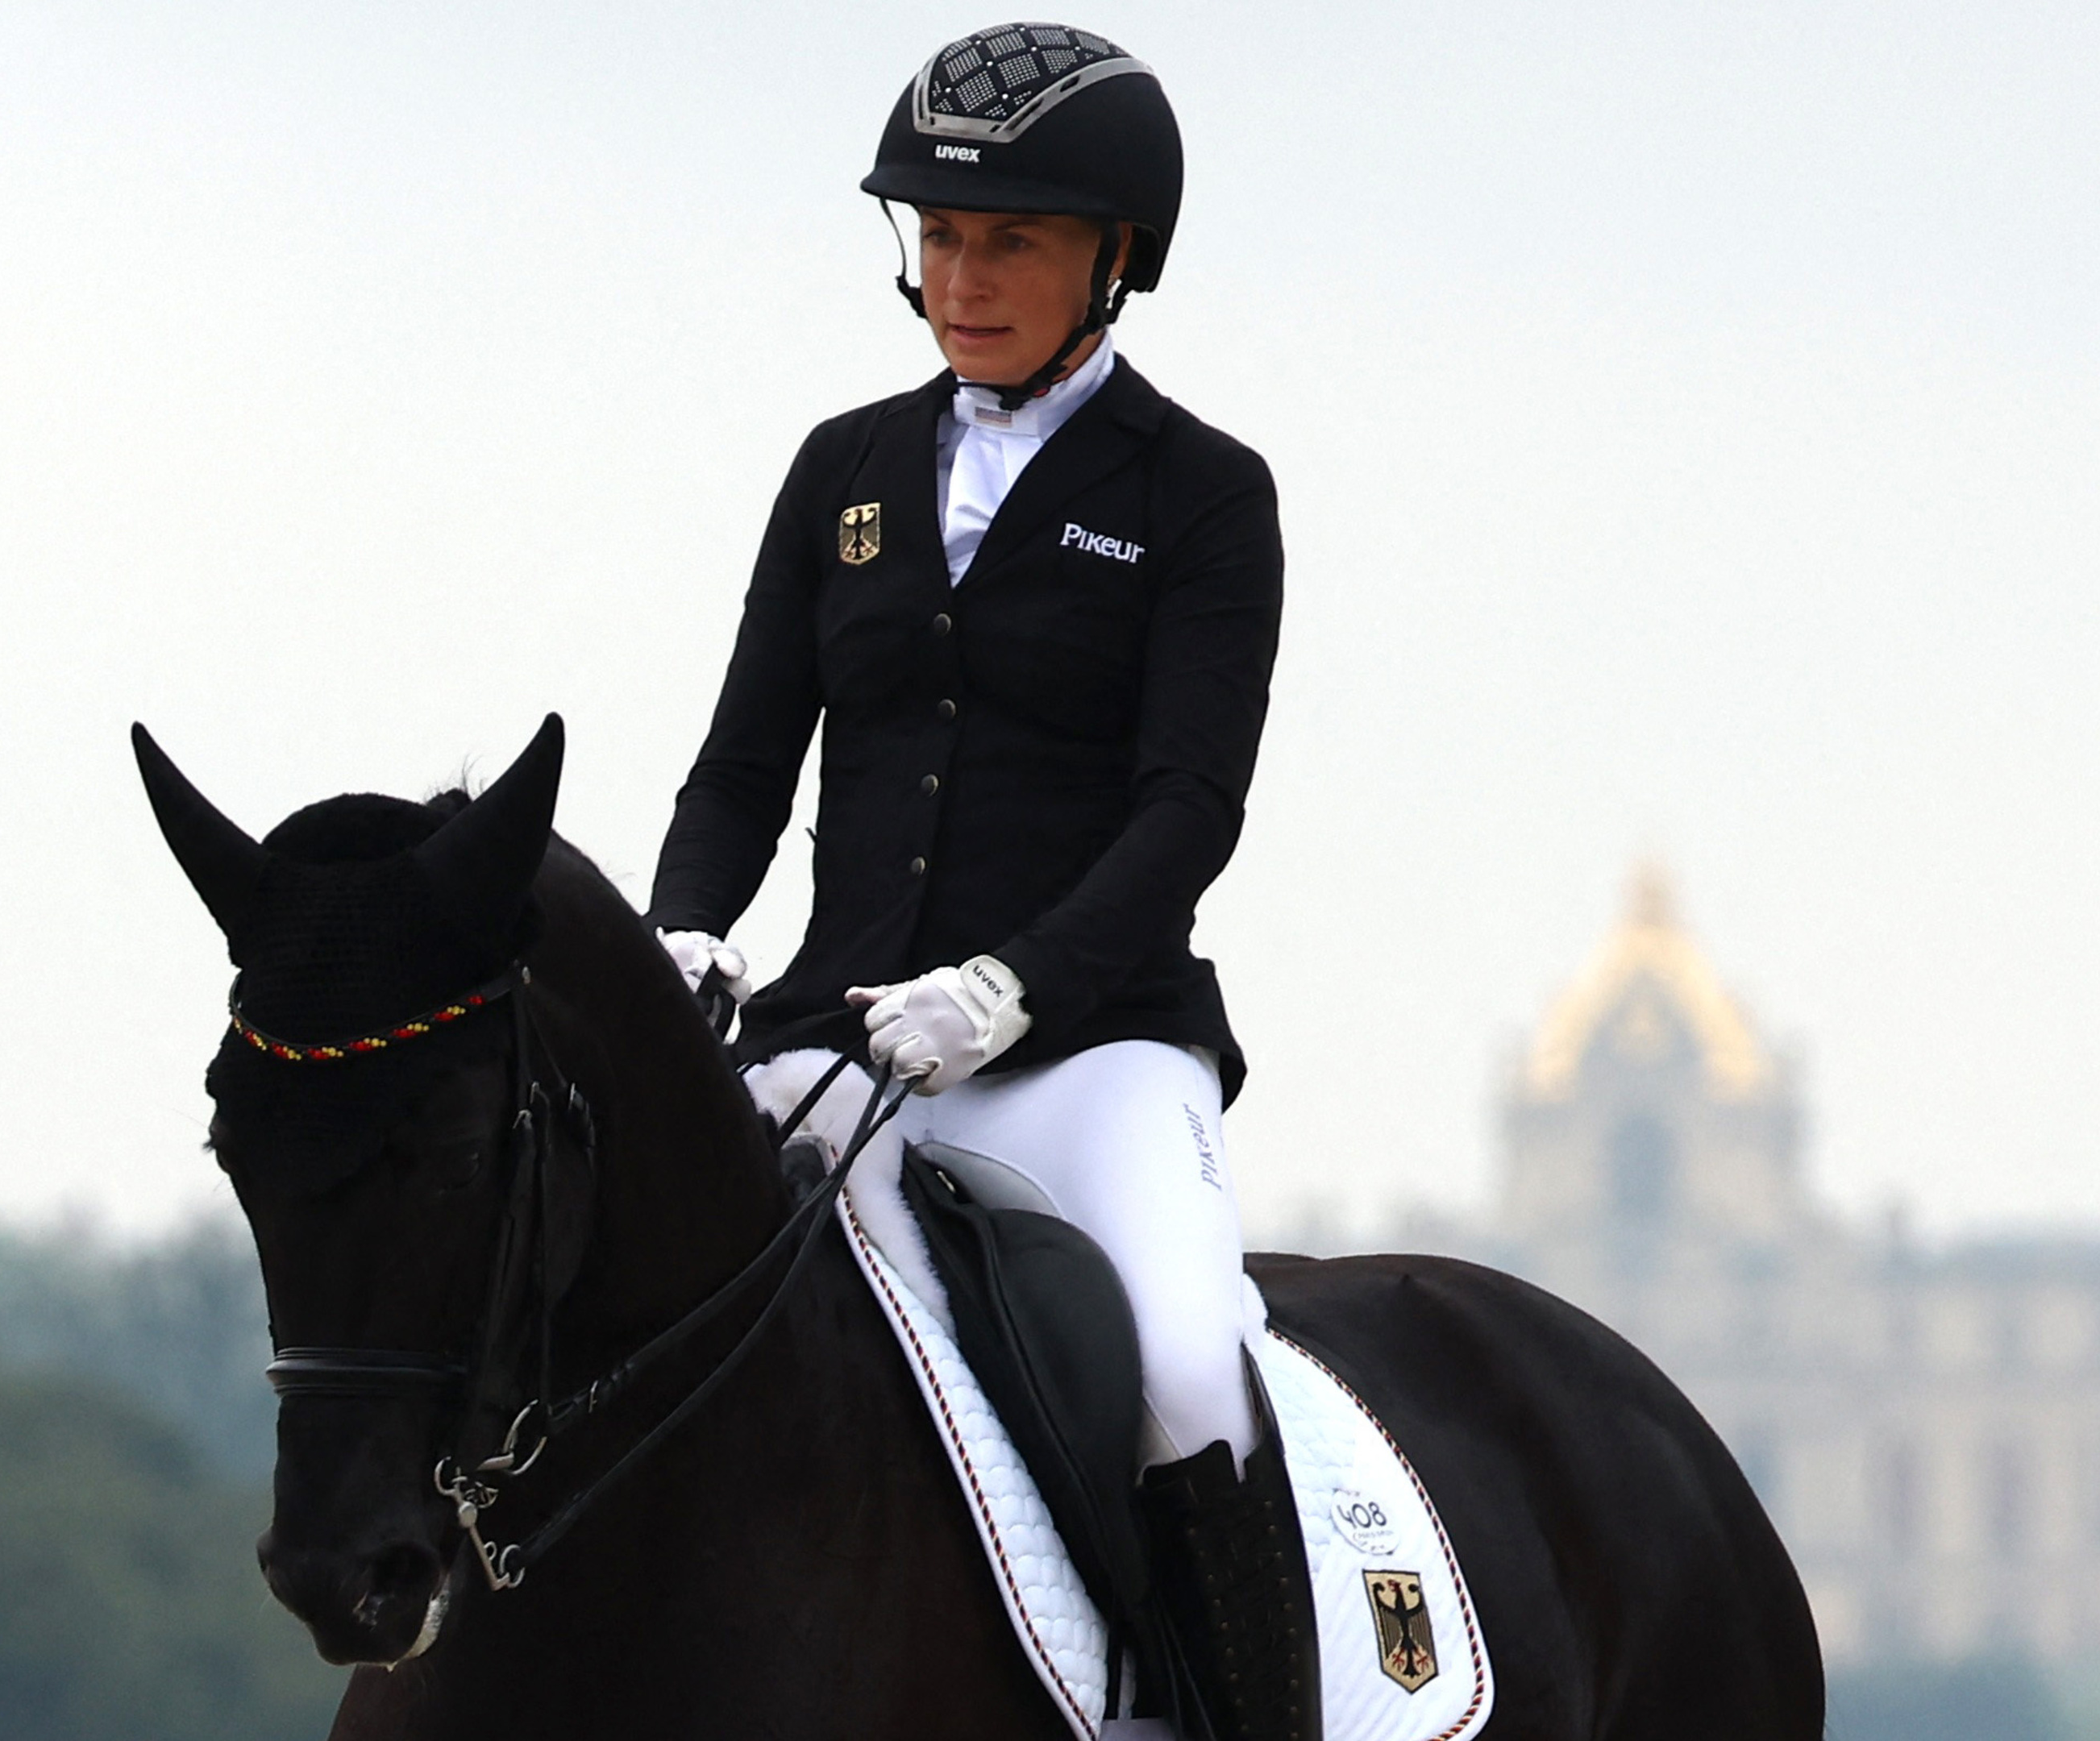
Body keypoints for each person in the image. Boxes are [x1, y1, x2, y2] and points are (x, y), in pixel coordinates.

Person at [642, 22, 1307, 1739]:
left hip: (1087, 1051)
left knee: (1175, 1366)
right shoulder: (840, 472)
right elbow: (741, 763)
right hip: (833, 1035)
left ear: (1117, 257)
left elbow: (1187, 812)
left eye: (1008, 240)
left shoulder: (1204, 498)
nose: (964, 277)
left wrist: (1016, 985)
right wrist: (686, 931)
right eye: (938, 237)